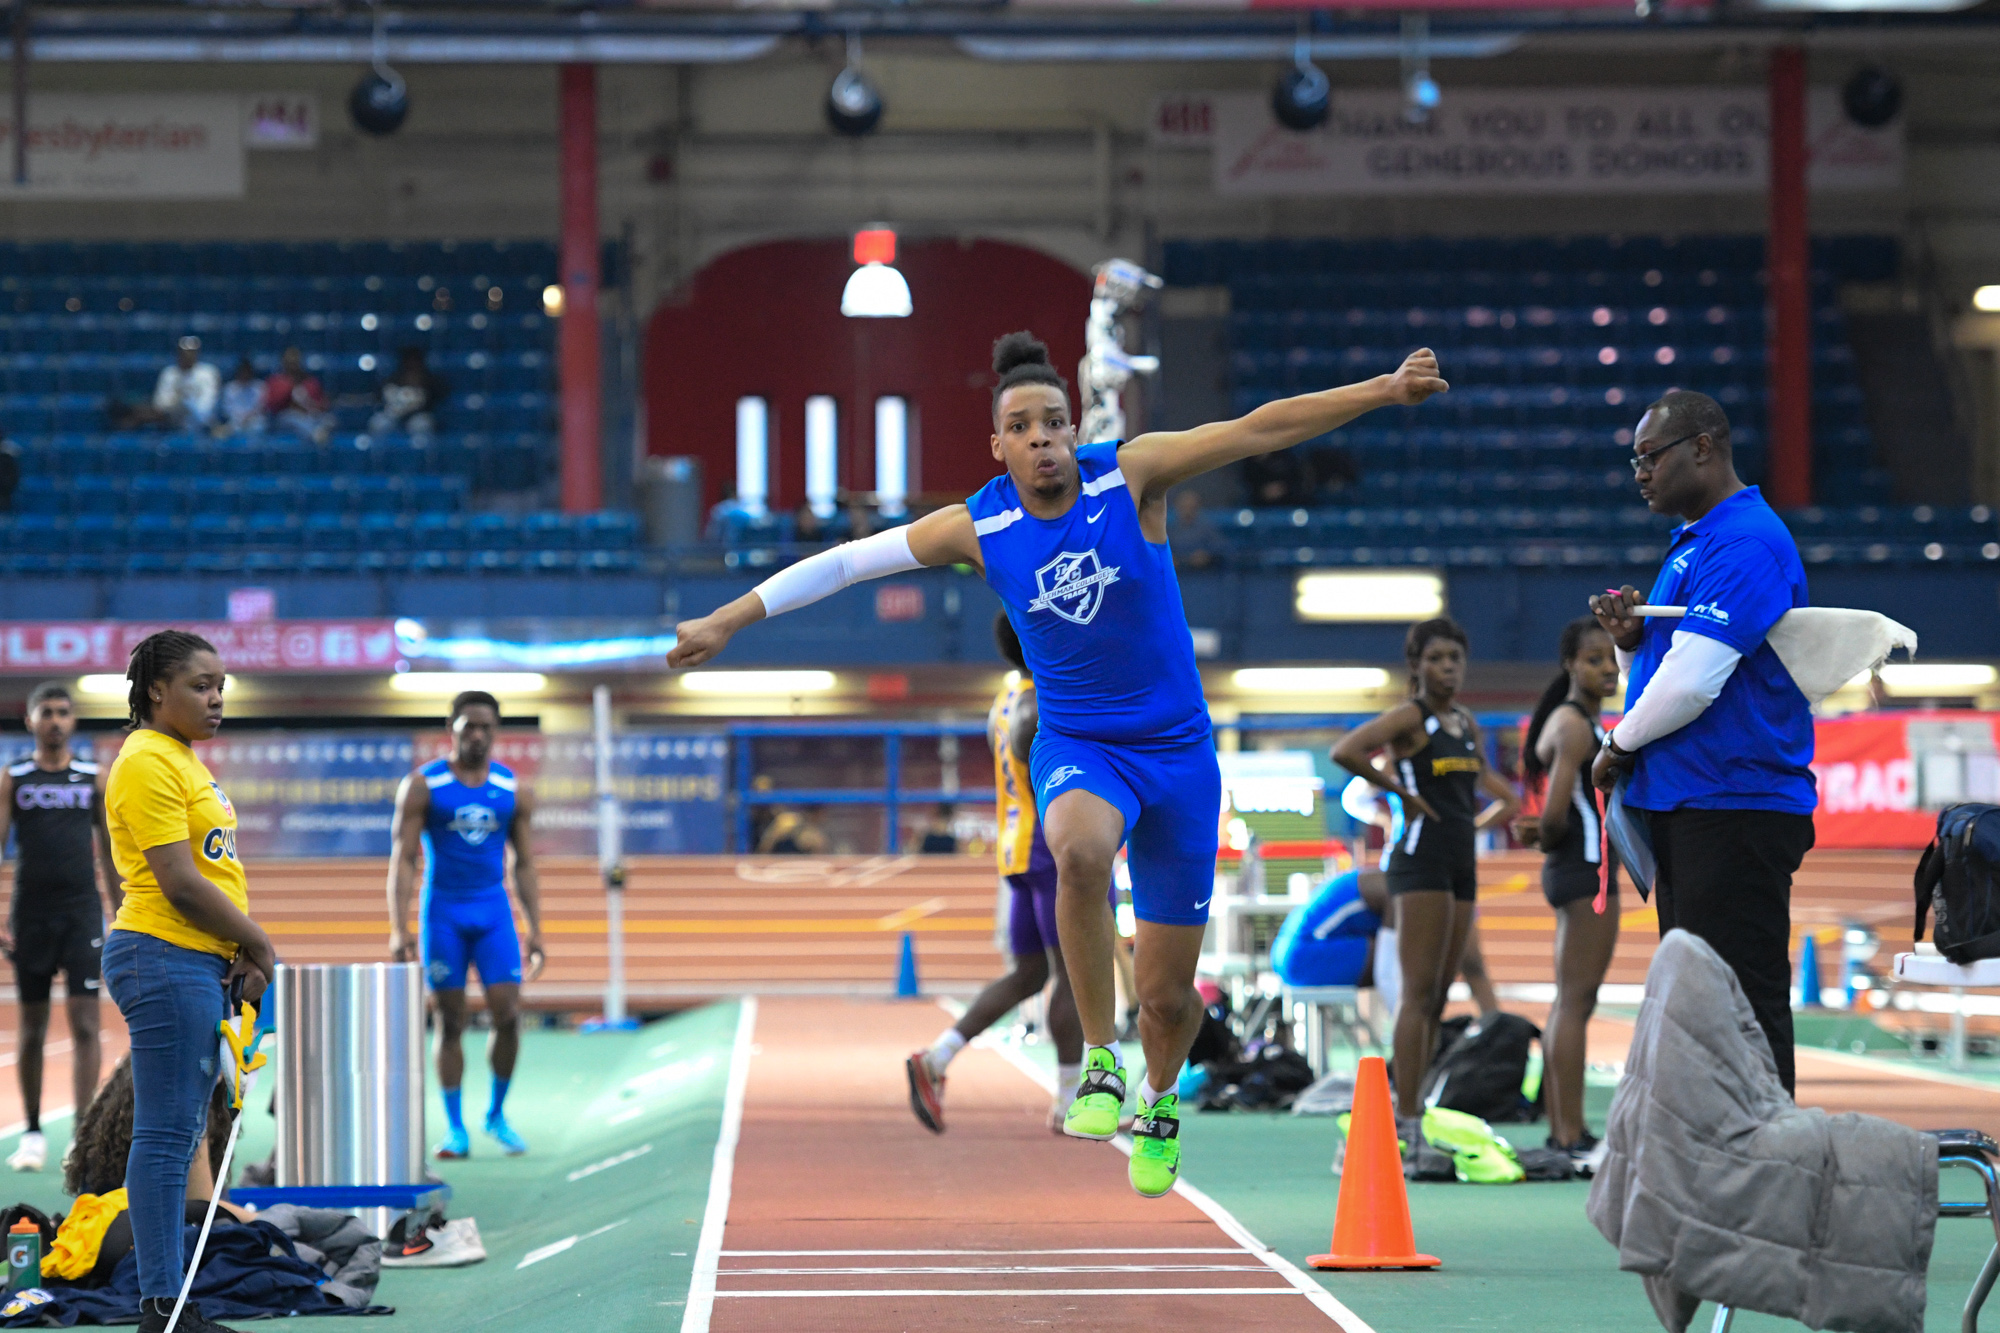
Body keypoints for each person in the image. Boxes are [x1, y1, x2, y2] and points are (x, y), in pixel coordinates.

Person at [670, 331, 1447, 1197]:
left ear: (1075, 431)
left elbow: (1259, 428)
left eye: (1054, 423)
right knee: (1076, 853)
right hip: (1080, 744)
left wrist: (1381, 388)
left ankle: (1157, 1099)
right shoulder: (981, 522)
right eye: (1021, 427)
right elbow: (849, 562)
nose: (1042, 439)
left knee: (1169, 996)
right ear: (997, 445)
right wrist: (729, 619)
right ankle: (1101, 1063)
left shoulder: (1131, 474)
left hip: (1179, 755)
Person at [1590, 389, 1816, 1095]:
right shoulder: (1695, 544)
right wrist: (1629, 647)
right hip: (1697, 805)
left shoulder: (1744, 539)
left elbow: (1694, 682)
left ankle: (1768, 1177)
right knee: (1699, 1012)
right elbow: (1662, 674)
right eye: (1633, 460)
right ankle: (1721, 1177)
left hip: (1735, 805)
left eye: (1649, 455)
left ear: (1703, 447)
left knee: (1739, 1008)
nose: (1639, 472)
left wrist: (1617, 743)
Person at [102, 630, 277, 1333]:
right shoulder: (146, 761)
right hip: (162, 953)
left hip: (192, 957)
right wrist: (257, 939)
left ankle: (168, 1301)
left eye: (222, 686)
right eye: (202, 685)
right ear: (155, 690)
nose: (217, 698)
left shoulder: (178, 758)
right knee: (168, 1135)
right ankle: (162, 1307)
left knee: (177, 1132)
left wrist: (236, 946)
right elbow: (177, 878)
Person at [1331, 618, 1518, 1174]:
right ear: (1417, 666)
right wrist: (1400, 794)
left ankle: (1408, 1114)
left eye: (1456, 659)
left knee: (1438, 993)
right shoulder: (1411, 718)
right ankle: (1405, 1125)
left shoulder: (1466, 723)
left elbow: (1500, 794)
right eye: (1437, 659)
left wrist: (1484, 819)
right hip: (1418, 863)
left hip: (1461, 863)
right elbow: (1347, 750)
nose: (1448, 668)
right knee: (1417, 993)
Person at [906, 615, 1083, 1134]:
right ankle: (1070, 1099)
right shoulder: (1043, 704)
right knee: (1072, 973)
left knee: (1030, 974)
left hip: (1015, 850)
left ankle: (937, 1057)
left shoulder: (1005, 701)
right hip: (1049, 851)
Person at [387, 691, 545, 1159]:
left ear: (496, 732)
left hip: (493, 913)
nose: (477, 735)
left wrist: (535, 928)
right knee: (450, 1021)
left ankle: (496, 1113)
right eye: (468, 726)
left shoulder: (513, 789)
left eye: (486, 727)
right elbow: (404, 858)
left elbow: (525, 864)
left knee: (509, 1015)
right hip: (444, 914)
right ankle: (456, 1128)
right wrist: (399, 927)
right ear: (451, 728)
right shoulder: (424, 785)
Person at [1513, 617, 1623, 1175]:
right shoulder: (1575, 725)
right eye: (1593, 659)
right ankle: (1570, 1132)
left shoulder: (1572, 720)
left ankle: (1564, 1130)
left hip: (1576, 868)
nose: (1607, 668)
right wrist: (1546, 835)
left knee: (1568, 1002)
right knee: (1576, 1004)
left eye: (1611, 659)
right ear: (1569, 665)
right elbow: (1555, 813)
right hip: (1585, 871)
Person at [0, 683, 120, 1172]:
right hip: (31, 913)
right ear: (30, 721)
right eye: (45, 711)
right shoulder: (15, 778)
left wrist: (121, 911)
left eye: (63, 712)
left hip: (80, 911)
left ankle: (80, 1134)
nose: (54, 719)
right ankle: (31, 1132)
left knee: (87, 1024)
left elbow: (111, 850)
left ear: (73, 722)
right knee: (32, 1029)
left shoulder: (93, 778)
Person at [115, 337, 220, 432]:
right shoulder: (169, 373)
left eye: (191, 351)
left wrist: (182, 402)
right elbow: (160, 402)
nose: (188, 355)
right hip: (169, 418)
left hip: (197, 418)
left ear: (197, 353)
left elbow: (206, 405)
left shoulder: (208, 373)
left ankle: (131, 419)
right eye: (185, 351)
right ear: (178, 353)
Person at [368, 347, 444, 439]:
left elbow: (439, 396)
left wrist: (422, 388)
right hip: (393, 414)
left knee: (421, 425)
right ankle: (380, 451)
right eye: (409, 361)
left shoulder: (429, 380)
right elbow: (380, 397)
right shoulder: (393, 379)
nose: (412, 364)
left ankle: (421, 452)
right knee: (379, 423)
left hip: (418, 415)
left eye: (415, 361)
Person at [261, 347, 330, 443]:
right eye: (290, 361)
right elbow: (272, 406)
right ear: (284, 362)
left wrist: (312, 406)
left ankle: (319, 434)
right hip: (284, 418)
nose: (293, 365)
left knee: (329, 420)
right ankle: (315, 435)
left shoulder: (310, 381)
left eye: (295, 361)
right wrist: (290, 393)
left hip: (310, 415)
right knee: (294, 418)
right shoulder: (276, 381)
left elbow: (322, 404)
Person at [216, 358, 265, 438]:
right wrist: (240, 418)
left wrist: (249, 417)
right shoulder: (230, 388)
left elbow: (261, 407)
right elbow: (227, 409)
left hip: (254, 420)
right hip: (235, 421)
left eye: (247, 372)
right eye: (243, 372)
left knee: (259, 426)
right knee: (226, 430)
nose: (245, 374)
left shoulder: (259, 387)